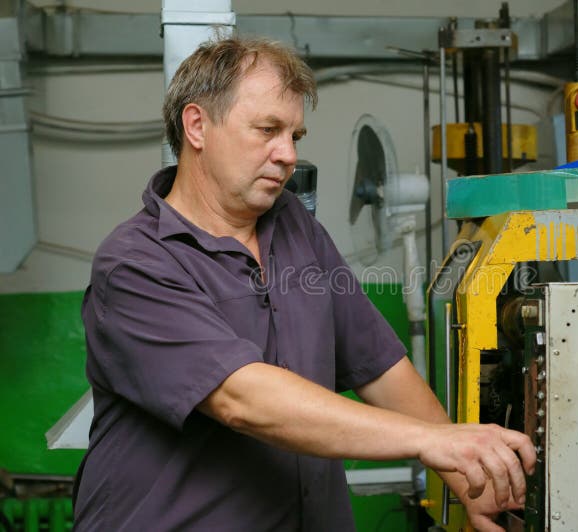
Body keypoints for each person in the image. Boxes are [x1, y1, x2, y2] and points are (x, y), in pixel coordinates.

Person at [73, 36, 535, 532]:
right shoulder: (135, 263)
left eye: (296, 135)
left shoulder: (294, 225)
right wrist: (429, 442)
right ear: (197, 125)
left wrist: (466, 473)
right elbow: (241, 397)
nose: (288, 154)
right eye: (268, 129)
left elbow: (378, 364)